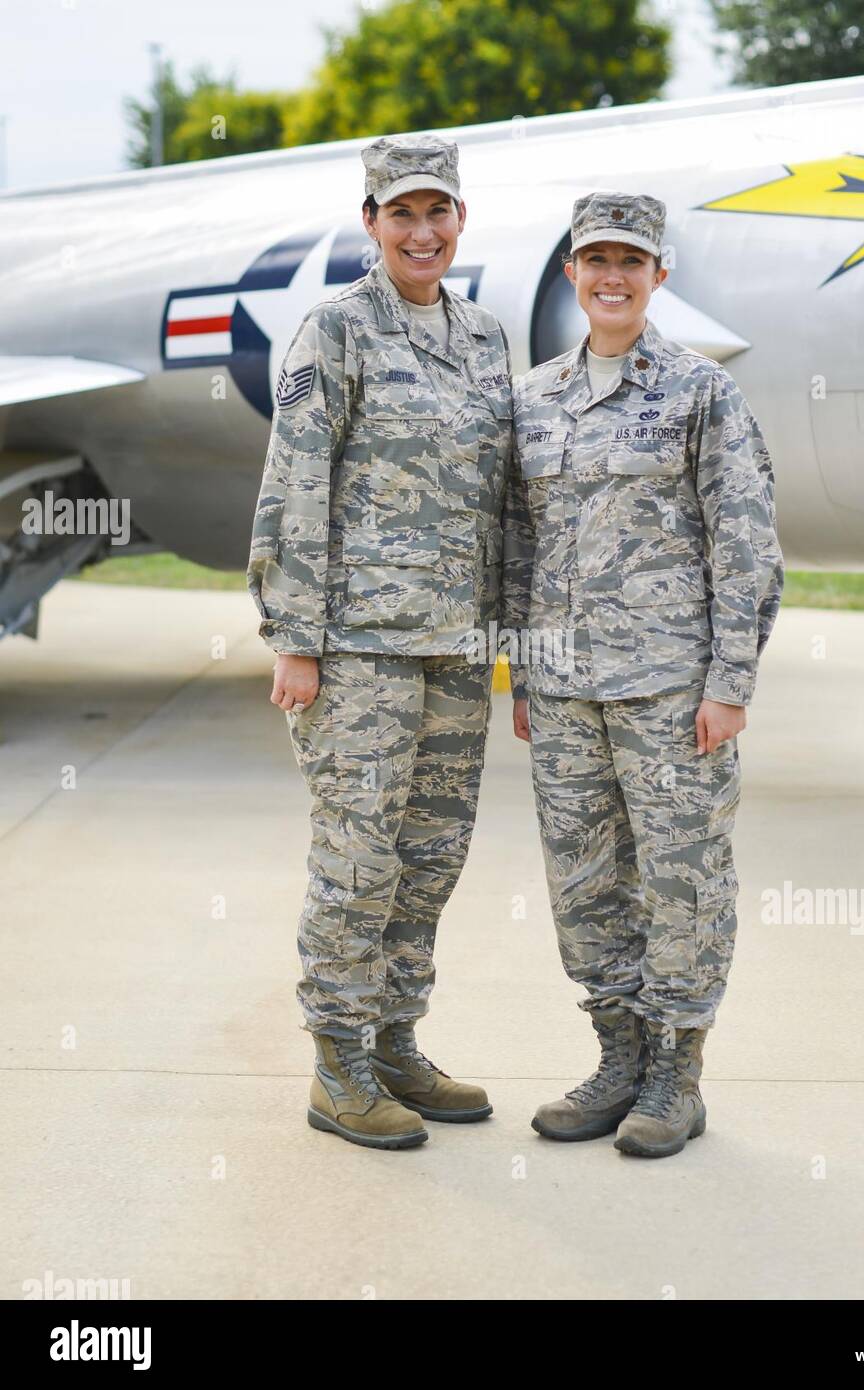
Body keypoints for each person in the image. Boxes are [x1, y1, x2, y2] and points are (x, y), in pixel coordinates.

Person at [502, 191, 783, 1158]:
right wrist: (527, 677)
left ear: (659, 276)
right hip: (566, 693)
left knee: (684, 879)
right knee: (584, 881)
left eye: (631, 261)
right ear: (573, 274)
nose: (612, 277)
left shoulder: (702, 393)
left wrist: (730, 684)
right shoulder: (533, 399)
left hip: (671, 690)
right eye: (595, 261)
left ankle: (677, 1072)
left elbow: (745, 544)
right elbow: (520, 549)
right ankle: (617, 1054)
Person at [247, 135, 513, 1150]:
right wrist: (294, 637)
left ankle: (397, 1043)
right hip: (355, 648)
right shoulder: (335, 330)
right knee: (356, 859)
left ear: (458, 220)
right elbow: (294, 484)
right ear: (370, 222)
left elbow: (500, 498)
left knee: (428, 858)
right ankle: (337, 1065)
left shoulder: (483, 339)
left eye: (436, 211)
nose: (421, 230)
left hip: (455, 647)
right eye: (400, 213)